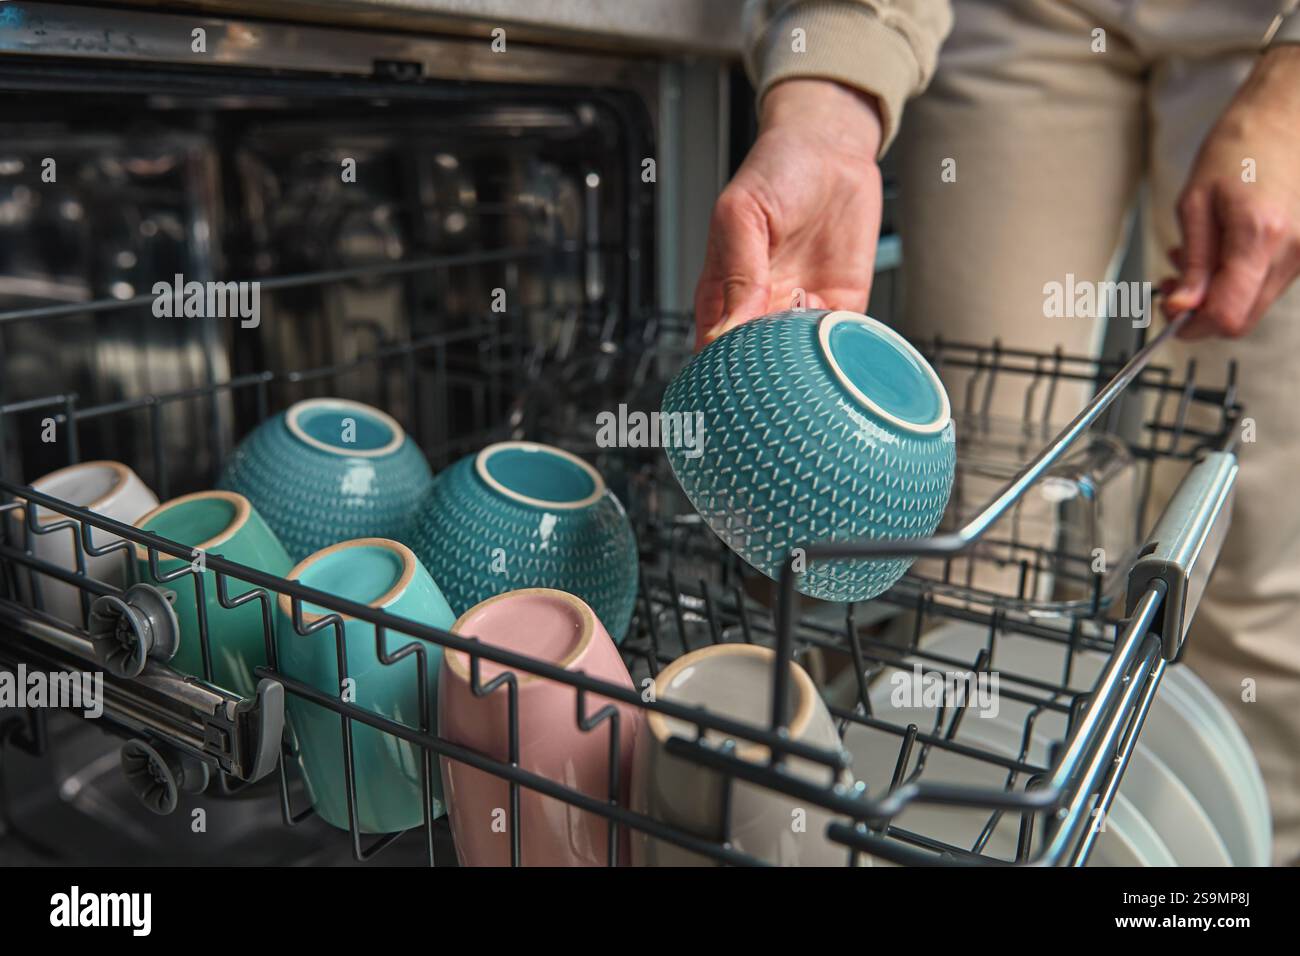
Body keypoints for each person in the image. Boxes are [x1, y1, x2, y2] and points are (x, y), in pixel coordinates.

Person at [698, 0, 1300, 865]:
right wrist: (832, 107)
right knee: (974, 555)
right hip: (1018, 16)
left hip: (1264, 29)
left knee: (1250, 568)